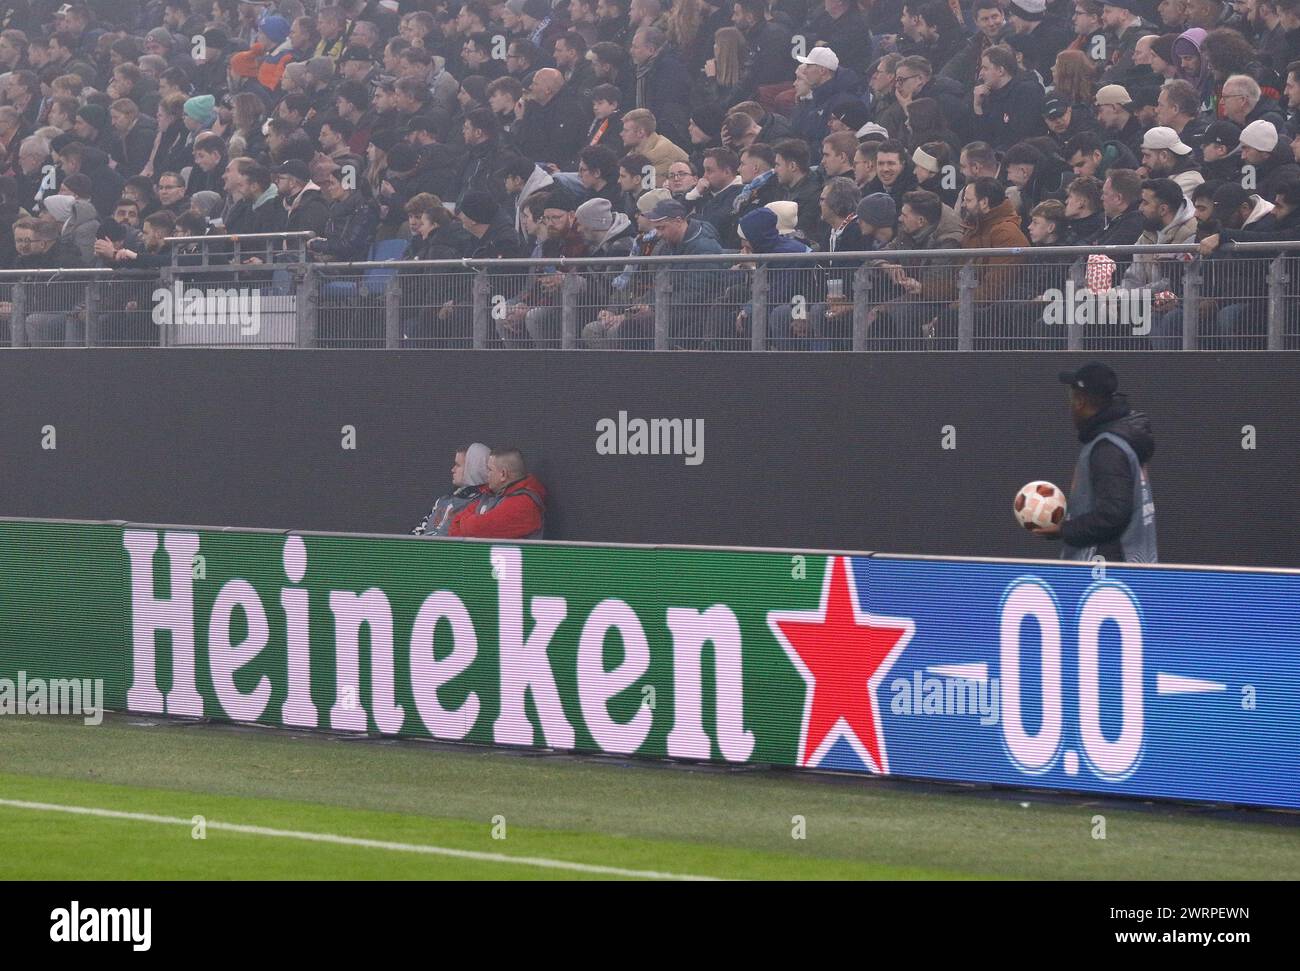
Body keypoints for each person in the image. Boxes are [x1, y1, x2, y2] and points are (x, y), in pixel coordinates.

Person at [1031, 362, 1157, 564]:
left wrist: (1064, 529)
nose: (1070, 405)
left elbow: (1112, 515)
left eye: (1071, 398)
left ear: (1080, 402)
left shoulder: (1108, 448)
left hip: (1108, 572)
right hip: (1130, 567)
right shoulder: (1124, 438)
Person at [449, 447, 548, 539]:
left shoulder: (524, 504)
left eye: (490, 470)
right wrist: (468, 524)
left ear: (503, 474)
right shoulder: (489, 494)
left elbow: (480, 529)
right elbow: (454, 527)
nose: (487, 474)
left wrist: (466, 523)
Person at [412, 443, 491, 537]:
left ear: (473, 468)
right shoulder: (443, 500)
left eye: (458, 465)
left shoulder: (485, 503)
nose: (453, 469)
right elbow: (416, 533)